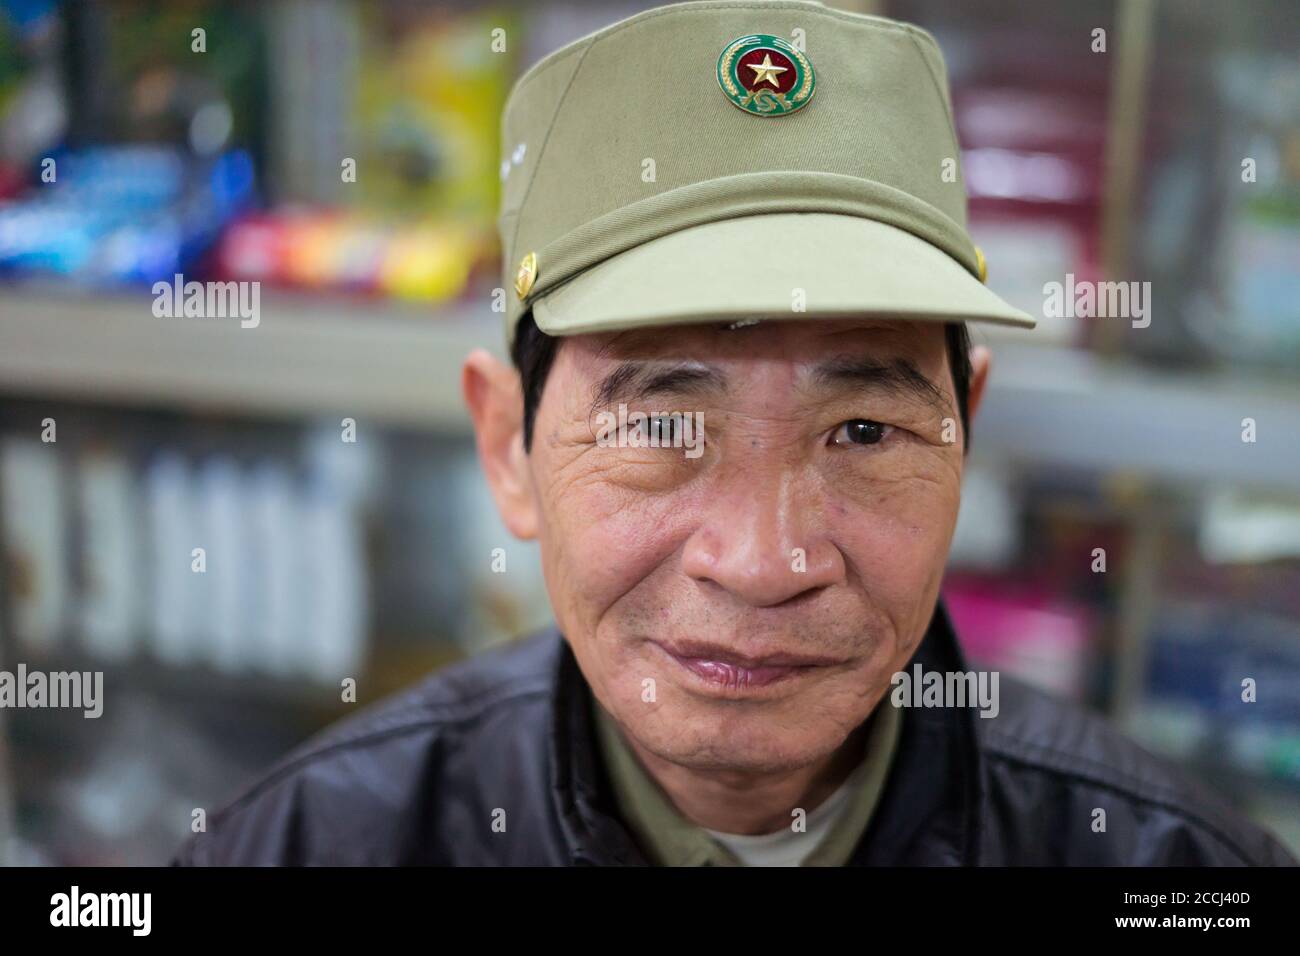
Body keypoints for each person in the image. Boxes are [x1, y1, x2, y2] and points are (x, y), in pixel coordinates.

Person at [174, 0, 1296, 866]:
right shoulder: (308, 843)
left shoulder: (1174, 867)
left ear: (965, 431)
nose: (764, 562)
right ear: (508, 444)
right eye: (663, 422)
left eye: (861, 428)